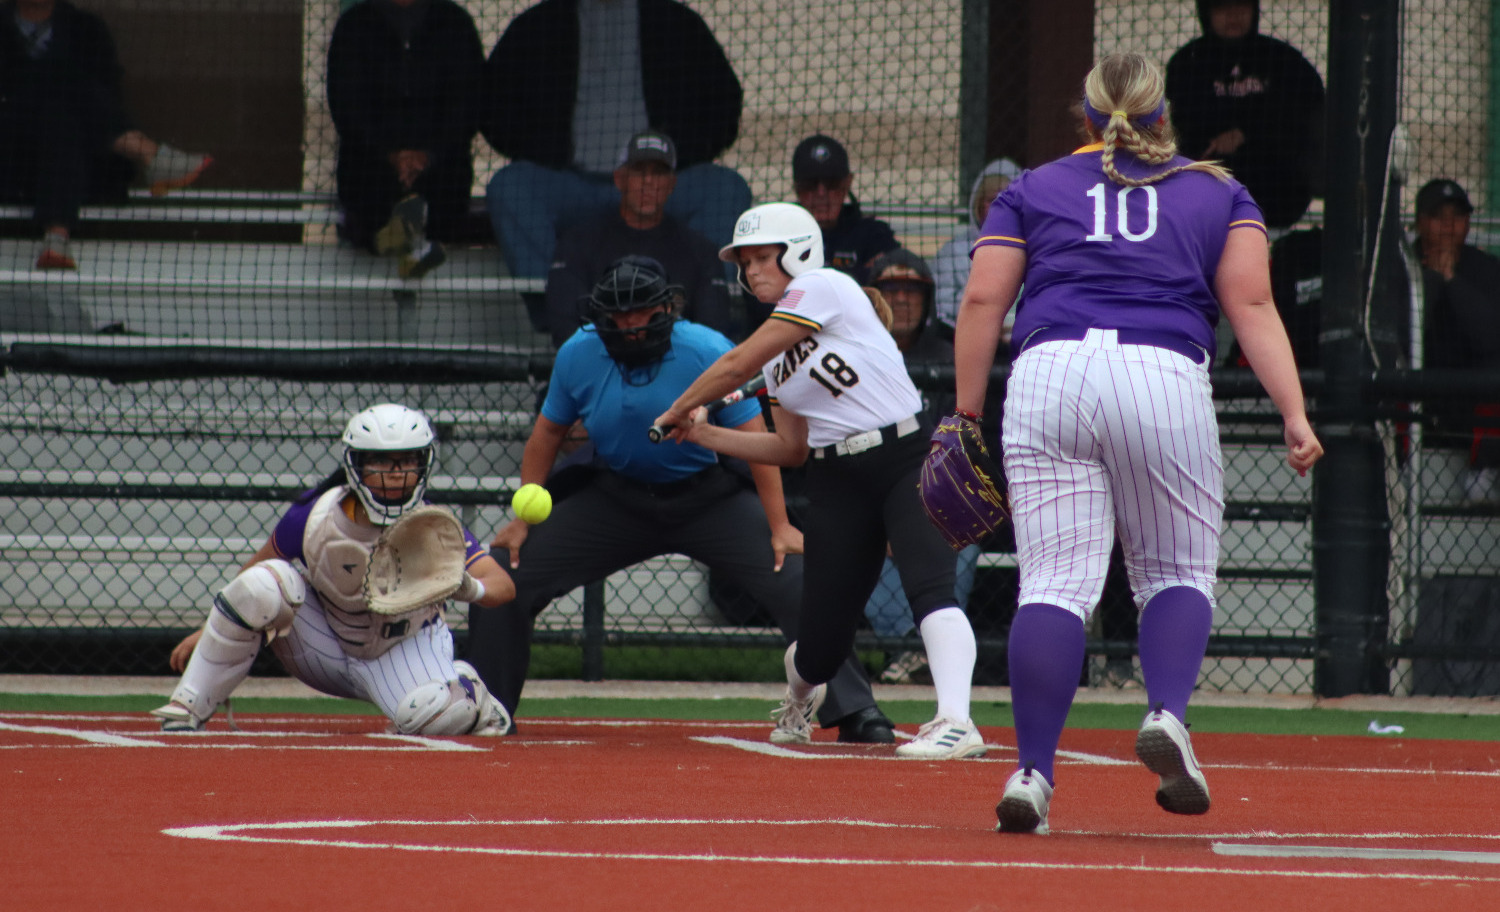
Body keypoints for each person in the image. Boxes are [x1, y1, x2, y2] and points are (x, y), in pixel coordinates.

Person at [953, 53, 1323, 833]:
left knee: (1052, 584)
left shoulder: (1034, 185)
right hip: (1161, 372)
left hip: (1050, 371)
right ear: (1165, 115)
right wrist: (1293, 410)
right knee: (1176, 569)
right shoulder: (1218, 188)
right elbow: (1251, 303)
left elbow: (986, 296)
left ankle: (1031, 775)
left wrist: (963, 413)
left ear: (1086, 117)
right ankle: (1166, 712)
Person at [467, 256, 895, 743]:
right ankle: (486, 707)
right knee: (502, 571)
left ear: (668, 309)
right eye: (619, 315)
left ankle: (855, 710)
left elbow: (759, 441)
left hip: (707, 500)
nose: (631, 325)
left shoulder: (706, 348)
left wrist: (780, 526)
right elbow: (547, 434)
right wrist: (523, 516)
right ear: (598, 316)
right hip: (615, 497)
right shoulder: (578, 353)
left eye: (642, 313)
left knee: (798, 580)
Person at [651, 203, 984, 759]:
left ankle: (956, 719)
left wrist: (678, 408)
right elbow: (790, 448)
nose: (752, 271)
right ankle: (800, 693)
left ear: (799, 251)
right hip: (836, 481)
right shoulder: (778, 362)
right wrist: (702, 436)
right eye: (746, 262)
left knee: (930, 585)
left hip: (903, 456)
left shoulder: (825, 285)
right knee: (822, 645)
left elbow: (734, 365)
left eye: (763, 258)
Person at [151, 403, 517, 736]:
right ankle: (189, 705)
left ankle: (467, 689)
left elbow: (503, 585)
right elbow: (254, 571)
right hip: (324, 641)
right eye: (381, 461)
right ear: (355, 465)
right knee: (265, 585)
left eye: (407, 461)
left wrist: (466, 586)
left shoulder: (434, 526)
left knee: (437, 719)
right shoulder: (315, 517)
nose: (395, 473)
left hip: (402, 648)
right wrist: (210, 629)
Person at [481, 0, 752, 285]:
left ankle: (690, 315)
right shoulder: (537, 26)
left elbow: (724, 104)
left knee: (725, 188)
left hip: (657, 184)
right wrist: (547, 153)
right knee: (510, 187)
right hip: (571, 185)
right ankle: (559, 313)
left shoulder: (677, 23)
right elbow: (493, 107)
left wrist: (672, 160)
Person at [0, 0, 212, 270]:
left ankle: (56, 237)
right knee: (56, 78)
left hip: (76, 167)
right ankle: (148, 153)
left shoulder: (87, 28)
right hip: (12, 164)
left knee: (61, 111)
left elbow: (107, 96)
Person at [859, 248, 982, 685]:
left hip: (938, 494)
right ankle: (904, 650)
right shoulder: (855, 356)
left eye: (913, 290)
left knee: (957, 533)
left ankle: (916, 650)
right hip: (869, 492)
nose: (904, 300)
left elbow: (962, 440)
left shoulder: (952, 353)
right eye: (891, 290)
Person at [326, 0, 484, 279]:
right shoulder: (355, 25)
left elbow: (468, 106)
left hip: (440, 172)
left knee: (444, 190)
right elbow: (347, 107)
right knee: (367, 187)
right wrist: (390, 156)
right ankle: (398, 239)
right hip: (371, 171)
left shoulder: (455, 24)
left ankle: (405, 239)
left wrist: (427, 156)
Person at [543, 131, 732, 347]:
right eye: (639, 171)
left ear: (672, 184)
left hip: (677, 367)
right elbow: (566, 329)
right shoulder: (577, 243)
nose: (648, 182)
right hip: (601, 365)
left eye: (658, 173)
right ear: (619, 179)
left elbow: (713, 331)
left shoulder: (700, 250)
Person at [1165, 0, 1324, 229]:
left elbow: (1302, 114)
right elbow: (1187, 125)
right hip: (1212, 188)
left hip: (1277, 192)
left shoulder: (1284, 61)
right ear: (1207, 13)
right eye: (1223, 7)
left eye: (1242, 7)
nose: (1233, 16)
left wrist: (1246, 133)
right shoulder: (1187, 62)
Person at [1414, 178, 1500, 505]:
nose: (1449, 226)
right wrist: (1433, 281)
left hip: (1470, 391)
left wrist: (1451, 281)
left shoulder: (1486, 268)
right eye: (1439, 216)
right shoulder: (1401, 264)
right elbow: (1407, 335)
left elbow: (1490, 338)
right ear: (1420, 222)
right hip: (1418, 386)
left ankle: (1485, 469)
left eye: (1458, 216)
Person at [791, 133, 898, 287]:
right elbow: (761, 302)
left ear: (848, 183)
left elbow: (888, 284)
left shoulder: (873, 235)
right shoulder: (780, 236)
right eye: (810, 184)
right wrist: (860, 275)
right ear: (796, 187)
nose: (821, 193)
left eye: (832, 183)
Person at [933, 158, 1022, 336]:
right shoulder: (952, 251)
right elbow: (942, 305)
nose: (999, 205)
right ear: (978, 204)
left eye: (1006, 198)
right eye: (991, 199)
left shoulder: (1036, 248)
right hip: (967, 336)